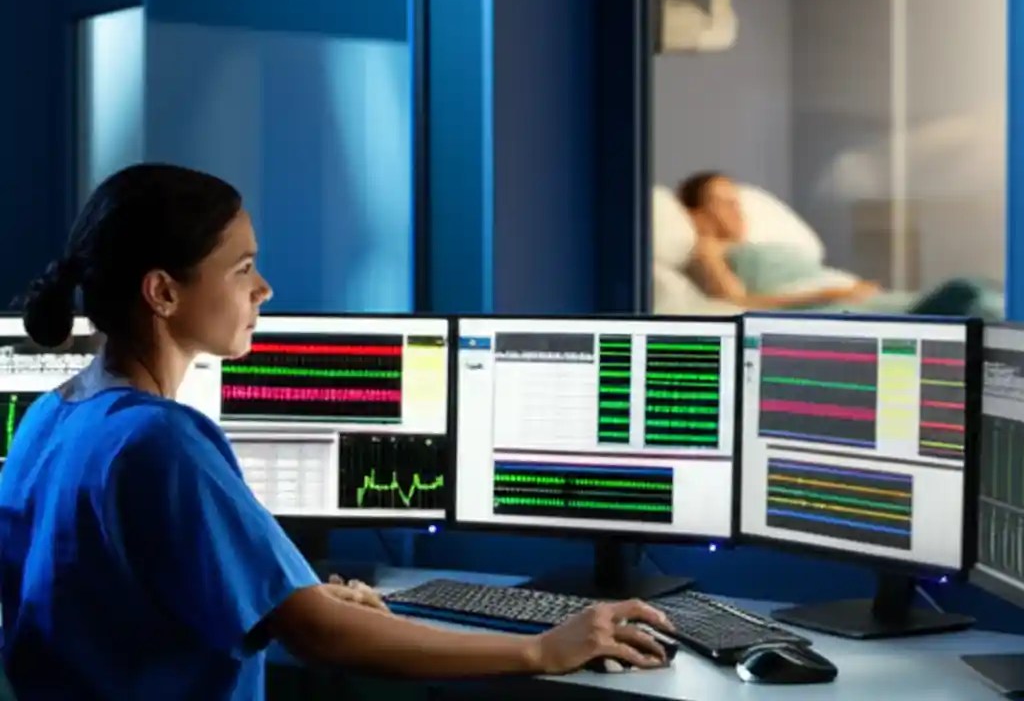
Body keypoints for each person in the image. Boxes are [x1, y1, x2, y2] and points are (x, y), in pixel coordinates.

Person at [0, 163, 674, 700]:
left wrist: (296, 595)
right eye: (241, 269)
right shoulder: (161, 442)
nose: (263, 289)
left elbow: (117, 602)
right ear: (163, 293)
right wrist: (539, 649)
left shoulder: (48, 420)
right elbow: (320, 637)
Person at [678, 171, 884, 310]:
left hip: (850, 294)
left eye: (736, 203)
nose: (737, 211)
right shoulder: (708, 250)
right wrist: (829, 294)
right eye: (725, 203)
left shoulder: (746, 244)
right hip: (830, 304)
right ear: (699, 213)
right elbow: (740, 303)